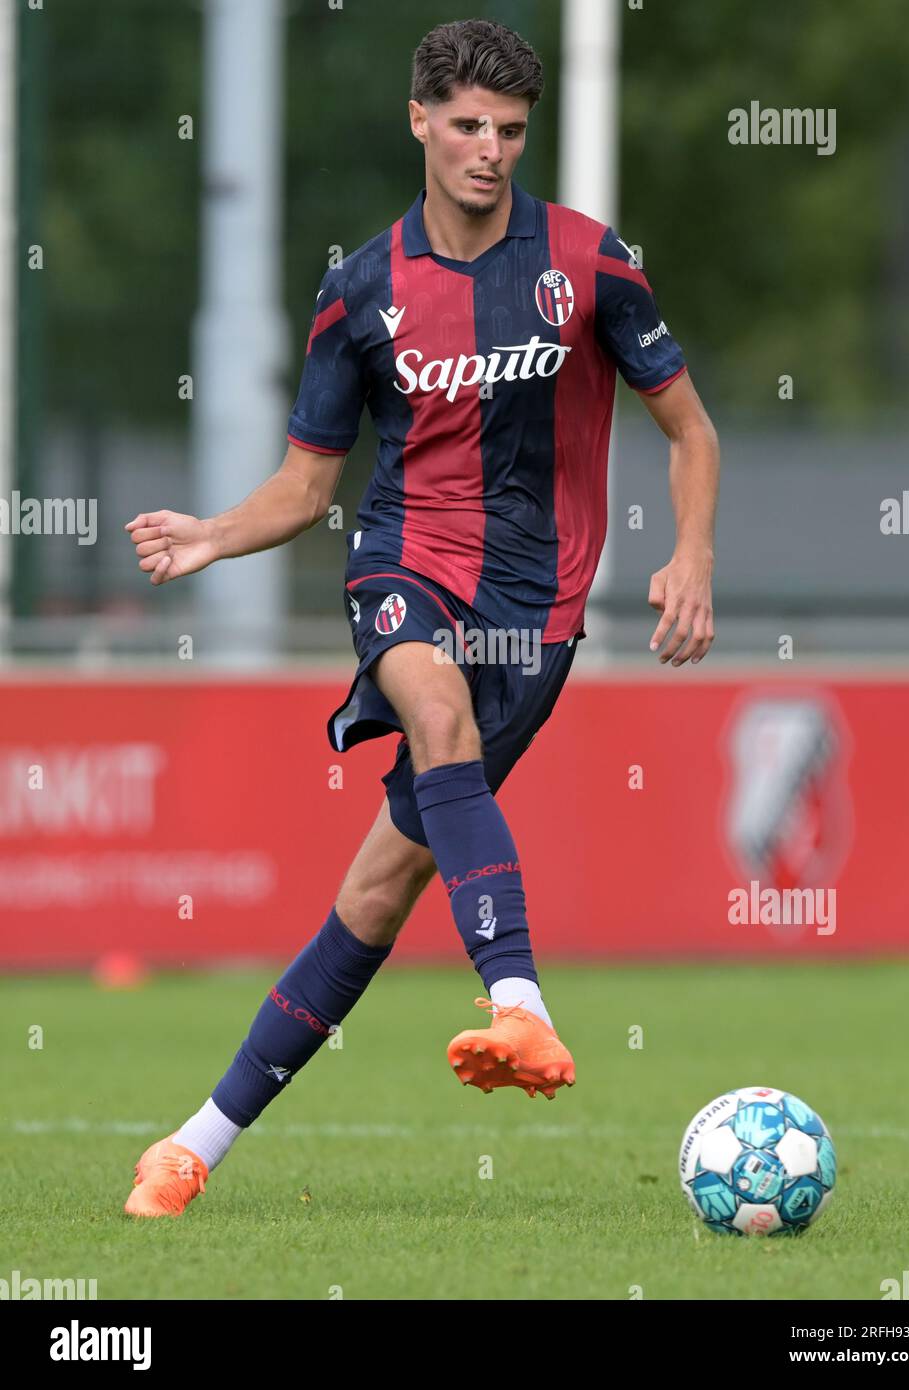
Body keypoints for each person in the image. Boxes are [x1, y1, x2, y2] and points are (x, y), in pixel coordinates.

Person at [122, 18, 719, 1218]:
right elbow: (308, 488)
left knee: (376, 894)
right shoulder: (359, 292)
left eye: (507, 130)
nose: (488, 151)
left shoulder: (589, 265)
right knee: (432, 708)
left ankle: (190, 1147)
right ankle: (520, 1002)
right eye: (464, 126)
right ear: (419, 121)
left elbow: (689, 429)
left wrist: (691, 554)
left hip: (537, 615)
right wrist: (209, 534)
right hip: (402, 564)